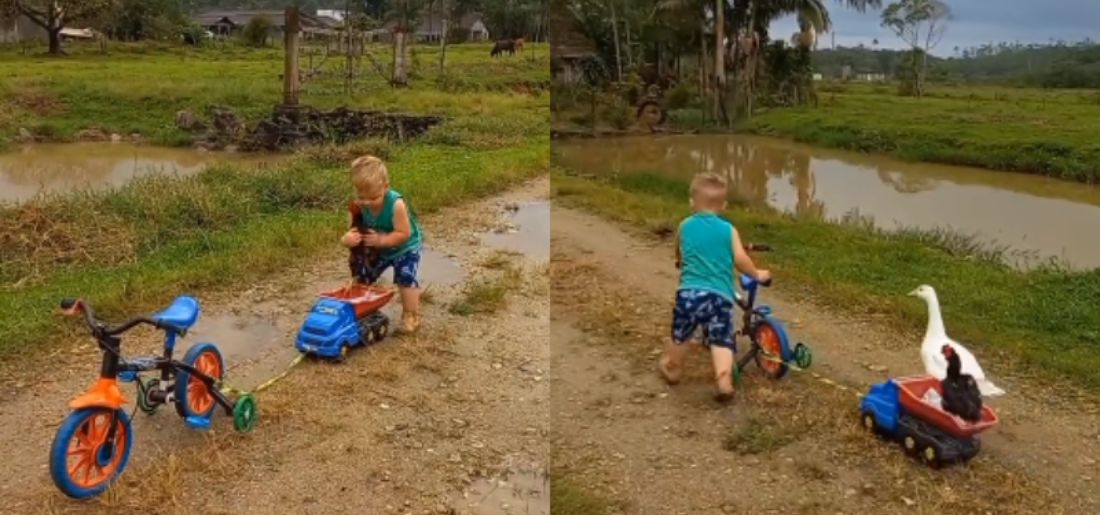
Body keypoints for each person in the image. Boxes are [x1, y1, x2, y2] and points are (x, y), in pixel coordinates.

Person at [658, 172, 770, 402]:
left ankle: (672, 367)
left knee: (681, 334)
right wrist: (756, 273)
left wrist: (680, 261)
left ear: (692, 203)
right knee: (721, 339)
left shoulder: (685, 225)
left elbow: (679, 251)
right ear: (724, 205)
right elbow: (740, 259)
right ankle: (723, 380)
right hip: (719, 296)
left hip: (688, 293)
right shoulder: (728, 230)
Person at [340, 155, 423, 334]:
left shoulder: (396, 204)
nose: (367, 203)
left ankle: (411, 314)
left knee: (405, 278)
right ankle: (366, 311)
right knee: (363, 276)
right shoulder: (356, 206)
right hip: (378, 248)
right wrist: (346, 239)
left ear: (386, 186)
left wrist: (382, 240)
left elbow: (403, 233)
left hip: (404, 246)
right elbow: (353, 230)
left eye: (373, 198)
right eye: (362, 197)